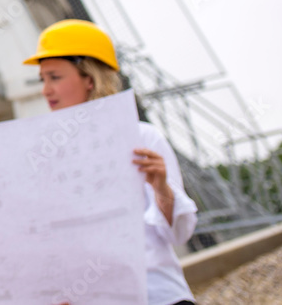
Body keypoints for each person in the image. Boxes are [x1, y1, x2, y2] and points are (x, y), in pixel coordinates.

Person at [24, 19, 197, 305]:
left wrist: (162, 189)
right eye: (43, 79)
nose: (46, 90)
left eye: (55, 77)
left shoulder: (142, 137)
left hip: (158, 296)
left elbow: (178, 234)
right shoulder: (44, 155)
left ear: (89, 78)